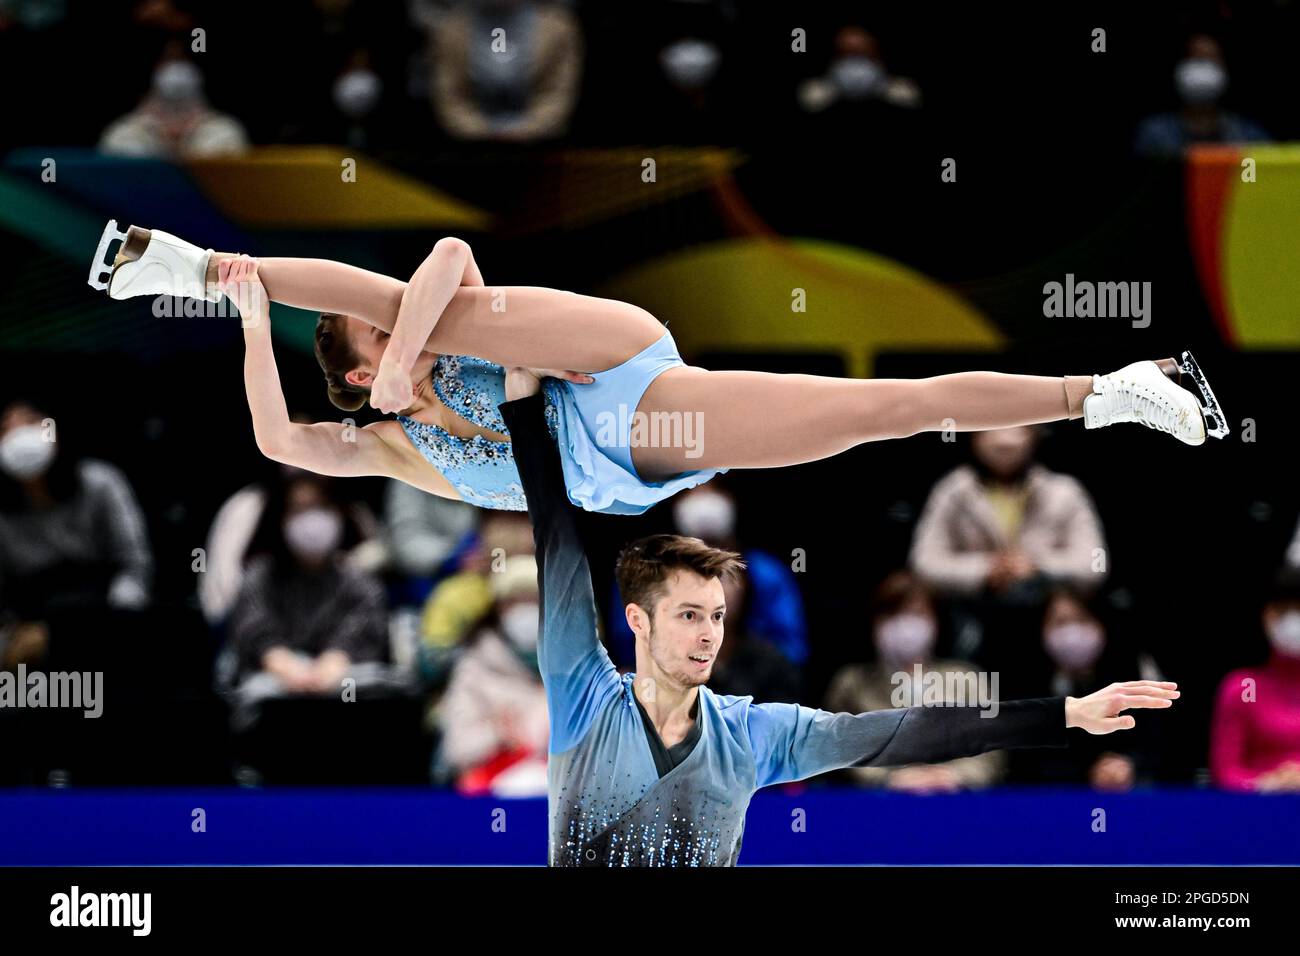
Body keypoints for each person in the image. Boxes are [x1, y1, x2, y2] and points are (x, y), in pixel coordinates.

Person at [498, 364, 1180, 866]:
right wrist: (524, 408)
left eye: (716, 614)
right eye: (687, 615)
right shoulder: (585, 695)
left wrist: (1062, 714)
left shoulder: (756, 733)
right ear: (638, 622)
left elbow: (913, 733)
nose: (709, 633)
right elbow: (557, 543)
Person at [92, 225, 1224, 519]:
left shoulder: (435, 327)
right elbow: (280, 443)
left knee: (889, 400)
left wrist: (397, 342)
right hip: (616, 465)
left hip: (608, 373)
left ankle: (1108, 389)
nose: (391, 351)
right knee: (869, 424)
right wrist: (253, 327)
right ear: (348, 382)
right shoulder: (385, 440)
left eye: (380, 339)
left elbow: (437, 264)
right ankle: (1125, 384)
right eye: (368, 357)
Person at [0, 400, 153, 667]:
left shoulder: (100, 481)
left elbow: (134, 564)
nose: (19, 434)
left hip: (105, 613)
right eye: (6, 428)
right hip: (29, 623)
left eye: (30, 421)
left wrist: (109, 623)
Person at [824, 571, 1005, 792]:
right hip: (877, 803)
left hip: (958, 800)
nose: (906, 626)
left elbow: (991, 748)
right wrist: (887, 779)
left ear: (935, 622)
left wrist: (956, 776)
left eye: (917, 614)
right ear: (875, 624)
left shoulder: (969, 679)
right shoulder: (851, 683)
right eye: (893, 615)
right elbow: (837, 746)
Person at [1209, 573, 1300, 792]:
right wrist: (1269, 784)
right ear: (1265, 617)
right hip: (1259, 814)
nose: (1295, 622)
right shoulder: (1244, 687)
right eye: (1283, 611)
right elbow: (1225, 772)